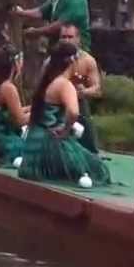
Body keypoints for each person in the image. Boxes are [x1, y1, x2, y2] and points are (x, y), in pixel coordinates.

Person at [17, 42, 112, 186]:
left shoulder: (47, 82)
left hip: (33, 148)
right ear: (73, 61)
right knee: (99, 169)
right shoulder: (64, 85)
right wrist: (66, 129)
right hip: (51, 144)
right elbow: (73, 112)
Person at [58, 22, 102, 154]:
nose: (66, 40)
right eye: (63, 37)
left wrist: (84, 91)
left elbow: (97, 89)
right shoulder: (52, 61)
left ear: (78, 39)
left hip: (79, 104)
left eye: (70, 37)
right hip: (56, 106)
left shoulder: (87, 61)